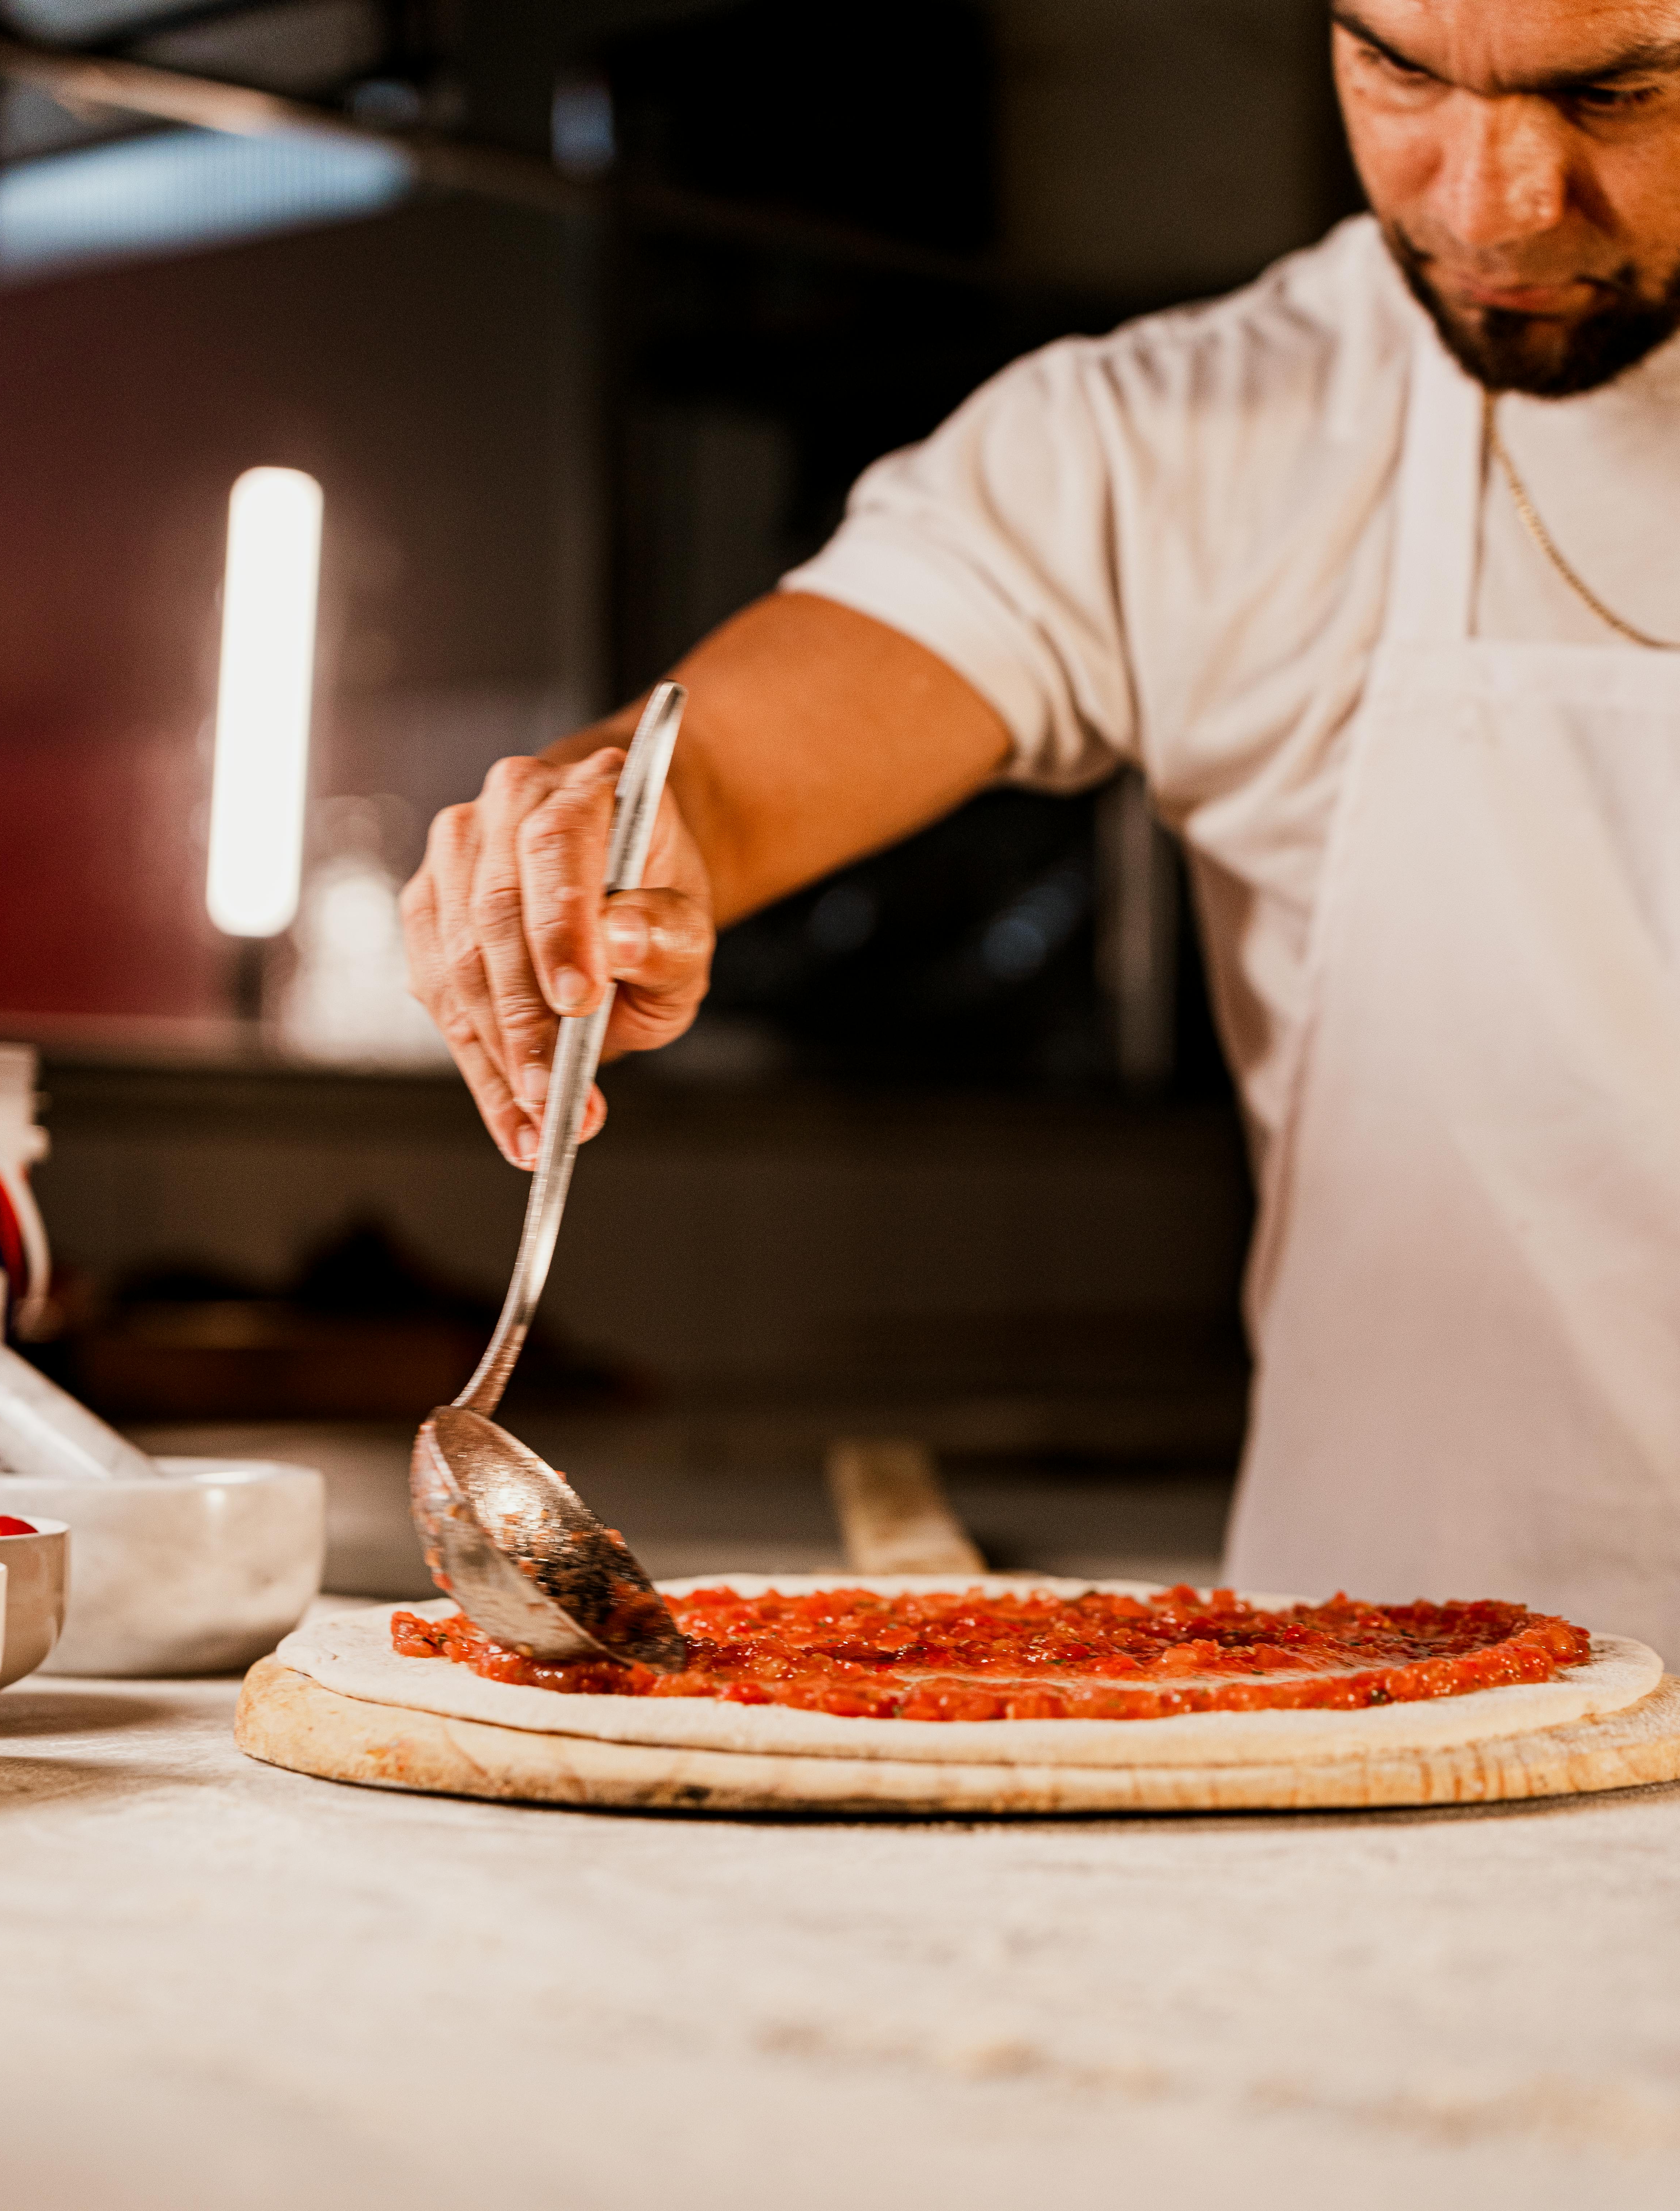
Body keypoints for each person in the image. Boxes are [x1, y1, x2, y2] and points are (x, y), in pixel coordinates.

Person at [401, 0, 1680, 1652]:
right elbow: (707, 780)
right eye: (1400, 70)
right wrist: (591, 844)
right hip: (1379, 1716)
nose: (1491, 200)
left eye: (1617, 92)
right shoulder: (1188, 442)